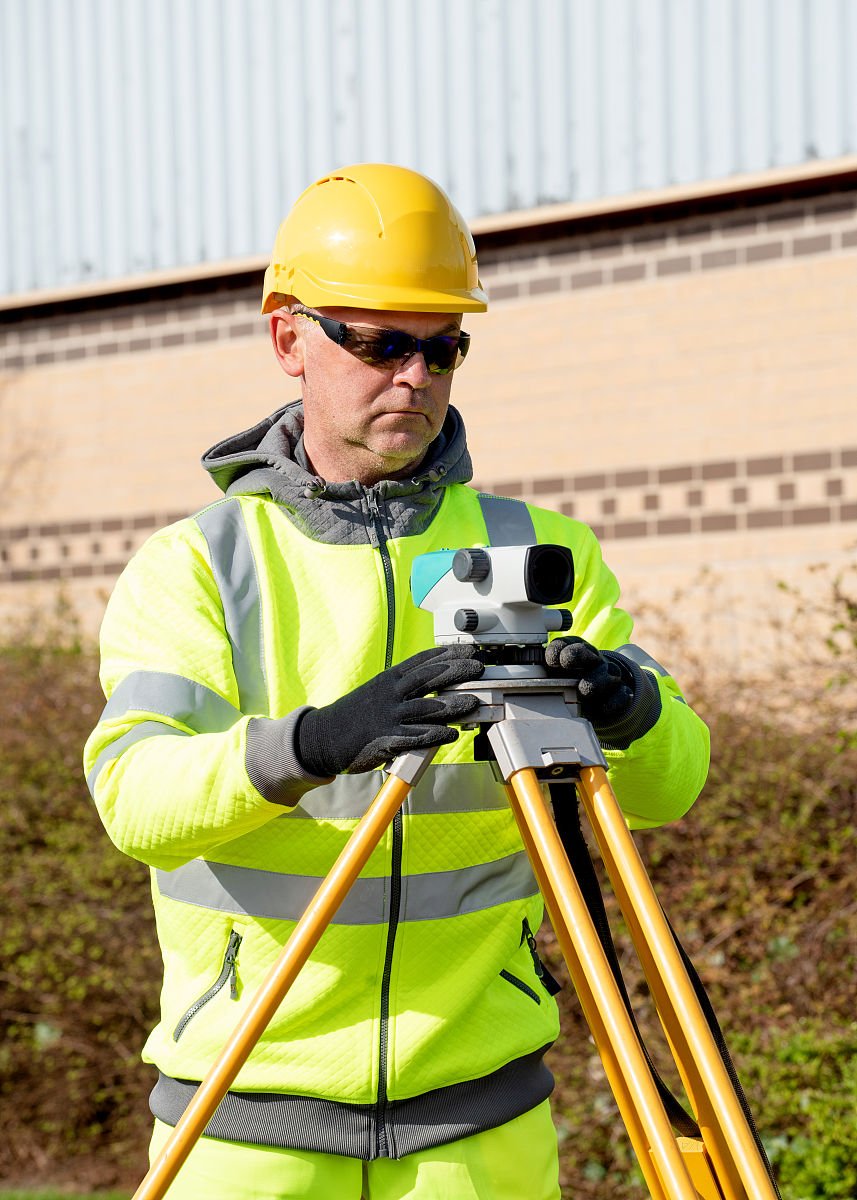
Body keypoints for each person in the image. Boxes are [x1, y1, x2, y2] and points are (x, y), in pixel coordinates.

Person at [84, 163, 709, 1200]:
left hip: (479, 1123)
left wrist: (627, 707)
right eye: (376, 343)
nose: (412, 376)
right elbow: (135, 801)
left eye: (441, 347)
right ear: (288, 338)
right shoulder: (198, 566)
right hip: (244, 1120)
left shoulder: (541, 554)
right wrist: (311, 743)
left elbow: (668, 787)